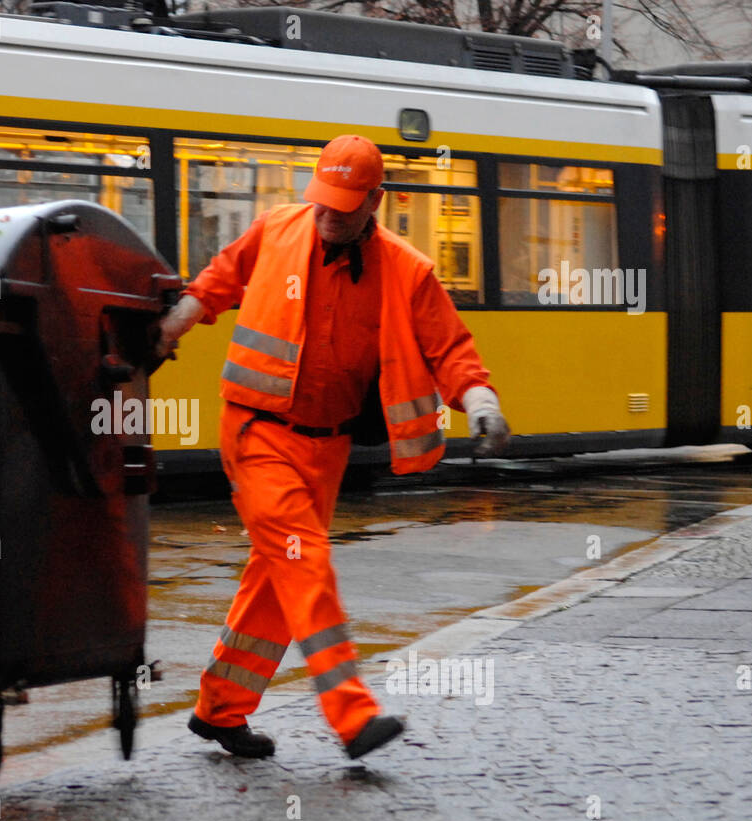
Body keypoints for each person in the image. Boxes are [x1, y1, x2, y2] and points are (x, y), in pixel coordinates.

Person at [153, 134, 510, 761]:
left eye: (344, 205)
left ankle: (220, 709)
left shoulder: (406, 270)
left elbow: (449, 348)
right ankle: (352, 714)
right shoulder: (275, 229)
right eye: (321, 200)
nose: (327, 215)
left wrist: (480, 402)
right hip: (256, 429)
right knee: (306, 562)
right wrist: (172, 325)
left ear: (376, 199)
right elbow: (216, 282)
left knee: (277, 579)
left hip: (328, 447)